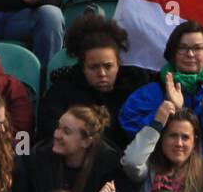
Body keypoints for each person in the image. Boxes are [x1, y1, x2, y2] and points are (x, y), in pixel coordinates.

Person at [120, 21, 203, 177]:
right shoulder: (149, 94)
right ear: (172, 52)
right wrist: (167, 112)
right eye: (183, 48)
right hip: (161, 180)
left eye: (197, 48)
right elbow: (133, 138)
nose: (190, 54)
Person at [39, 14, 154, 146]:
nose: (102, 73)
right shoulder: (61, 92)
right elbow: (49, 135)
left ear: (118, 65)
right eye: (93, 67)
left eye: (108, 66)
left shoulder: (136, 87)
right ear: (82, 68)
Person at [13, 105, 123, 192]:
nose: (57, 135)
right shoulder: (38, 161)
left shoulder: (109, 168)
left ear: (86, 142)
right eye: (58, 128)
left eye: (66, 131)